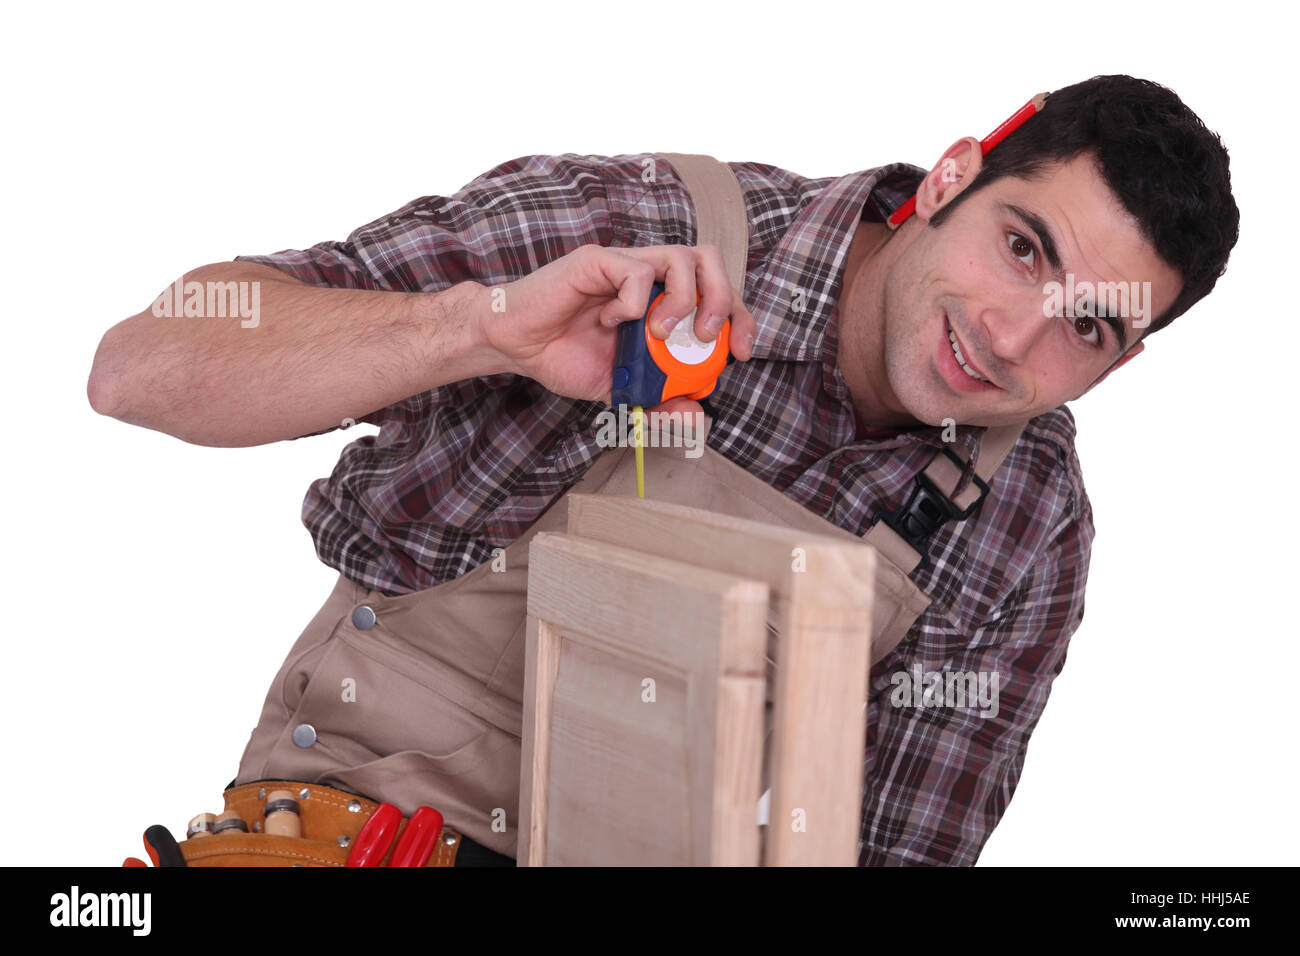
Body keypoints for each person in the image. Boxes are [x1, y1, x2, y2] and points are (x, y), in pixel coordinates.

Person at [87, 74, 1239, 866]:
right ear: (948, 178)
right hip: (364, 821)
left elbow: (893, 849)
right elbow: (142, 364)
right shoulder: (636, 233)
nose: (1008, 337)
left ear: (1122, 361)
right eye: (1021, 246)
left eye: (1084, 326)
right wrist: (476, 329)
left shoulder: (1026, 523)